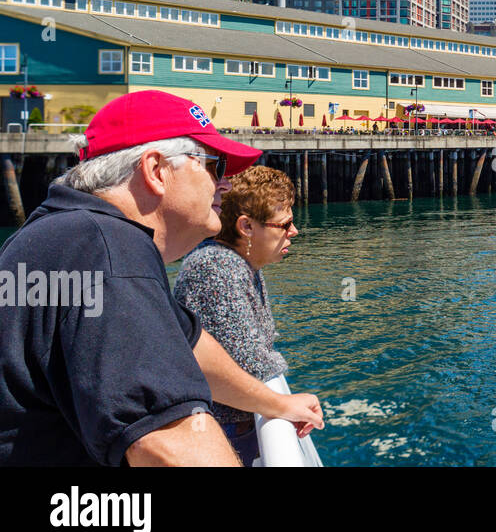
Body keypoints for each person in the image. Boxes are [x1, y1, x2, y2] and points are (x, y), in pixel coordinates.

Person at [0, 91, 323, 466]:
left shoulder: (68, 233)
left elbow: (192, 346)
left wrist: (277, 403)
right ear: (156, 170)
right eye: (215, 167)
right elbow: (168, 442)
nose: (226, 185)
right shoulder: (107, 246)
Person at [174, 166, 302, 466]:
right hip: (222, 434)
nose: (294, 231)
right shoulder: (218, 269)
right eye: (285, 223)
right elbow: (250, 362)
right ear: (246, 227)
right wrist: (288, 401)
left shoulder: (239, 265)